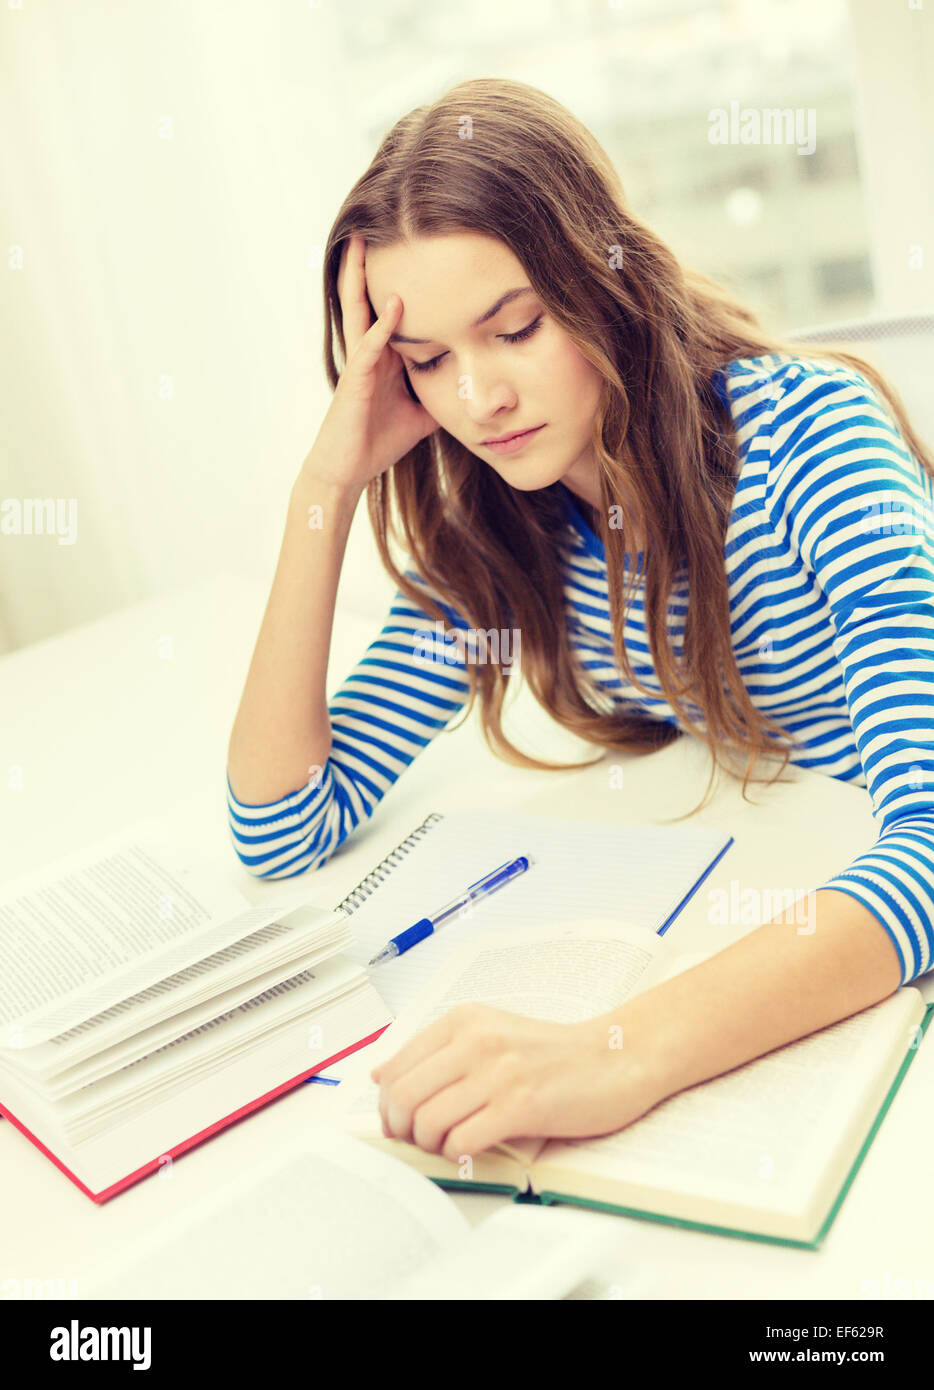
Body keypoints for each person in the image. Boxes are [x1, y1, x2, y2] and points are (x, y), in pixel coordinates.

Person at [226, 78, 934, 1163]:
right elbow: (282, 826)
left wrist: (617, 1051)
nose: (479, 399)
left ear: (603, 280)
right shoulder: (505, 531)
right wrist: (324, 484)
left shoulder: (812, 445)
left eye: (514, 328)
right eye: (425, 362)